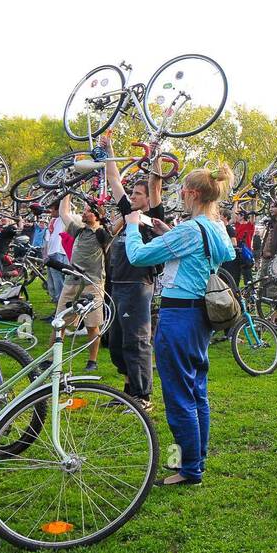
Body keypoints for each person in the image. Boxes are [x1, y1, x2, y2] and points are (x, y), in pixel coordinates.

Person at [124, 166, 235, 486]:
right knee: (196, 391)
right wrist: (166, 233)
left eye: (183, 190)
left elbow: (138, 256)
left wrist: (133, 226)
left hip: (179, 316)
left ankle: (189, 470)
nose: (181, 195)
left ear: (194, 194)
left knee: (179, 396)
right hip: (200, 317)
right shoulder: (214, 227)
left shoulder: (188, 230)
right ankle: (196, 462)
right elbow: (215, 252)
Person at [100, 133, 164, 413]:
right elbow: (114, 181)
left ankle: (143, 397)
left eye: (138, 194)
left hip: (139, 286)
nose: (133, 196)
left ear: (148, 199)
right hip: (118, 285)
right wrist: (109, 149)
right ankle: (128, 390)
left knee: (136, 342)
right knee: (116, 342)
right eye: (133, 194)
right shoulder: (129, 215)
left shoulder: (154, 217)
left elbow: (155, 183)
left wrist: (156, 154)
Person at [48, 193, 111, 372]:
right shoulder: (79, 230)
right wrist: (67, 191)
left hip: (93, 283)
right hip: (72, 281)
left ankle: (92, 361)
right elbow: (64, 213)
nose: (83, 214)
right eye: (83, 211)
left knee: (93, 325)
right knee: (59, 321)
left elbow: (115, 226)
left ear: (98, 214)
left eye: (88, 212)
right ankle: (50, 358)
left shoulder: (102, 235)